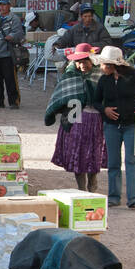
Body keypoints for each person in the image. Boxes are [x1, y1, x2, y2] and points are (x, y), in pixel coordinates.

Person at [94, 45, 135, 209]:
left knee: (131, 161)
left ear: (113, 65)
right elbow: (96, 101)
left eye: (104, 64)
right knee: (113, 162)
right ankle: (114, 196)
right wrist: (104, 110)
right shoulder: (104, 79)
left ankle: (134, 198)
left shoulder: (134, 76)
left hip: (131, 124)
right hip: (111, 126)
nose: (101, 67)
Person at [45, 43, 106, 192]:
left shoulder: (100, 75)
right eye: (79, 61)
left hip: (96, 119)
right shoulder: (69, 76)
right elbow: (61, 95)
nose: (82, 64)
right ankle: (81, 188)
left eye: (85, 60)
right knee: (77, 152)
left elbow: (107, 98)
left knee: (94, 152)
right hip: (75, 118)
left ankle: (92, 181)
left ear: (92, 60)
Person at [0, 0, 25, 108]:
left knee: (11, 80)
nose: (2, 7)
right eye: (0, 4)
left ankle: (14, 101)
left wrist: (11, 36)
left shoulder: (14, 19)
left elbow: (19, 34)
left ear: (9, 5)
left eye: (4, 4)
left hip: (8, 55)